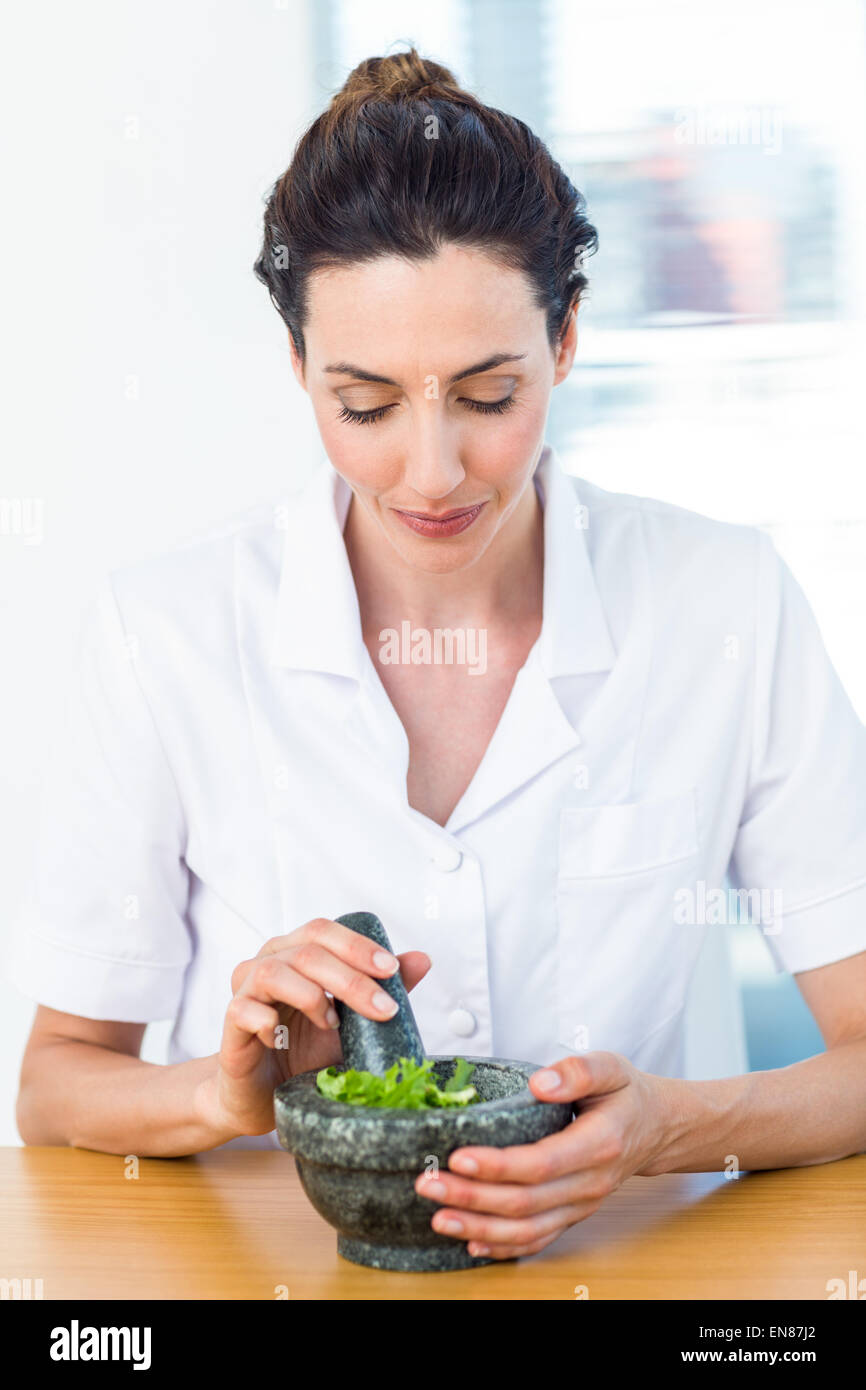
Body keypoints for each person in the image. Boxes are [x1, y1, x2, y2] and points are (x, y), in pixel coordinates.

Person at [11, 48, 866, 1263]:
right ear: (298, 365)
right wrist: (222, 1091)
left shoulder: (721, 602)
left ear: (564, 340)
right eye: (365, 404)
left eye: (486, 393)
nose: (430, 470)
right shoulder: (168, 633)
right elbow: (55, 1085)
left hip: (637, 1280)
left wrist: (670, 1126)